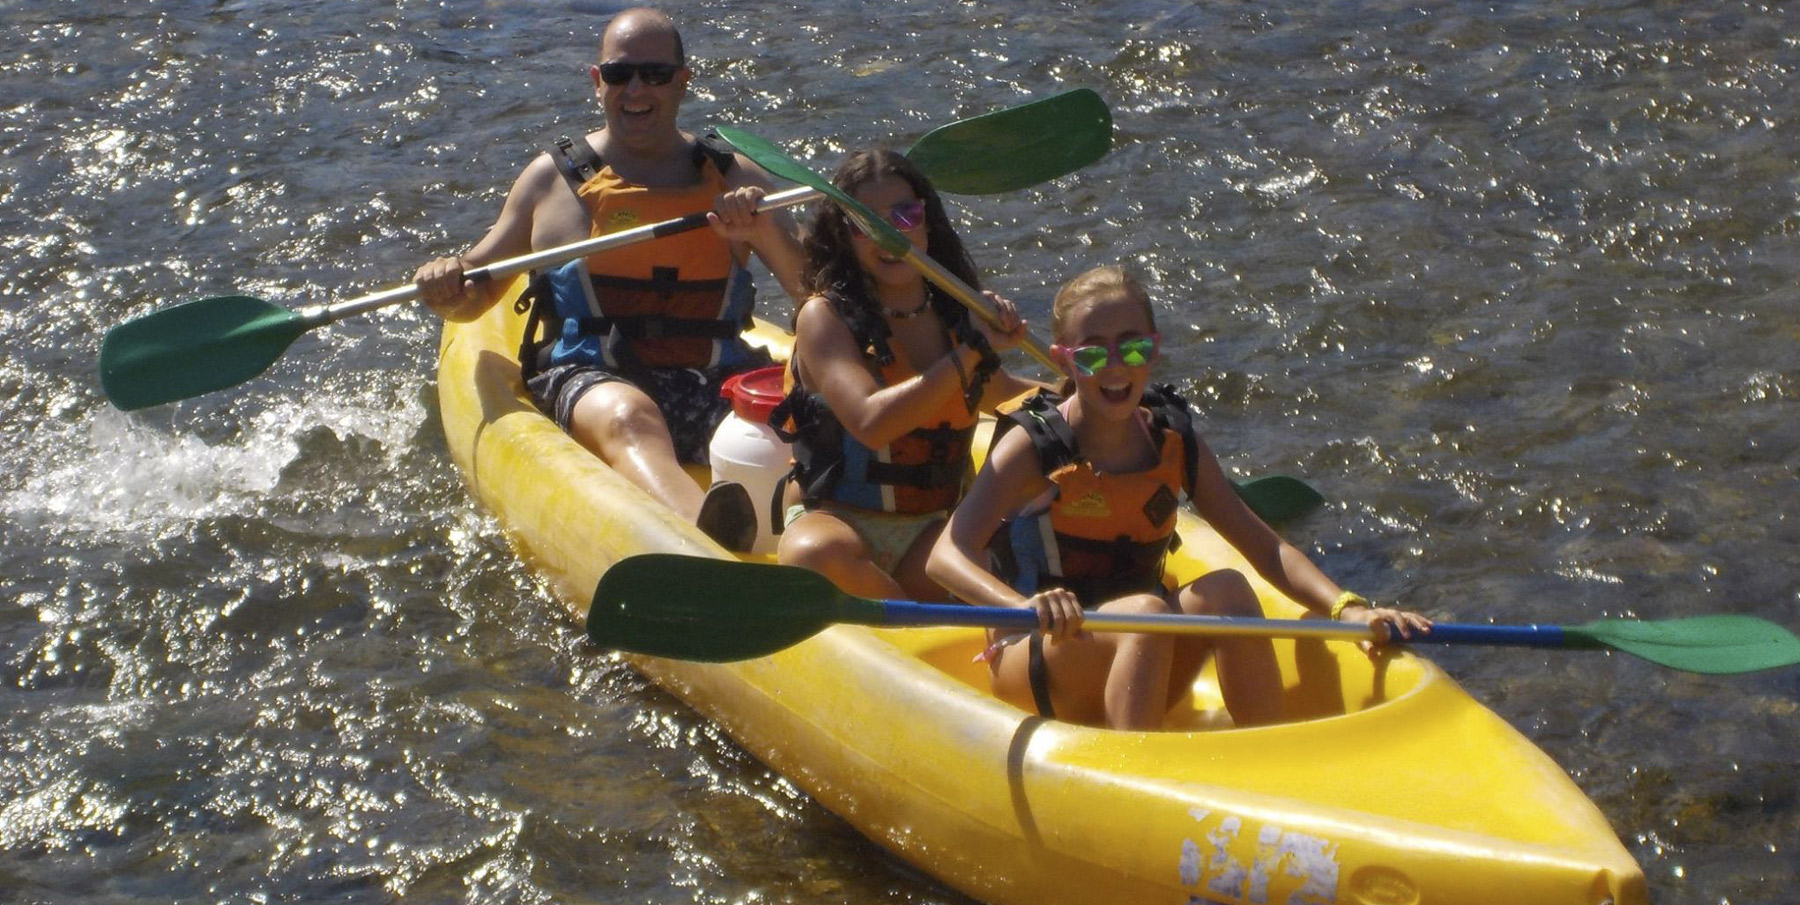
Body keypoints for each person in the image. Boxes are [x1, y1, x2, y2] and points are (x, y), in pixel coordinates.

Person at [926, 265, 1432, 730]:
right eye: (1094, 354)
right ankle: (1135, 768)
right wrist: (1024, 606)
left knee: (1228, 591)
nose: (1116, 367)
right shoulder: (1033, 446)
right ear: (1064, 359)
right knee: (1145, 613)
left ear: (1154, 349)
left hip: (1143, 645)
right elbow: (946, 556)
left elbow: (1266, 547)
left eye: (1133, 349)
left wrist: (1348, 609)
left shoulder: (1171, 439)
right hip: (1041, 657)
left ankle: (1267, 753)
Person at [413, 7, 805, 552]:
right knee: (631, 417)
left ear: (683, 80)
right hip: (593, 375)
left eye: (655, 74)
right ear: (598, 81)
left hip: (712, 374)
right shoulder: (553, 181)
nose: (635, 89)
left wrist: (761, 230)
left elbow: (812, 293)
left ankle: (817, 537)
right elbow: (475, 294)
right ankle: (707, 539)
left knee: (796, 424)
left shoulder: (733, 176)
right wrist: (445, 285)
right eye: (620, 74)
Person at [773, 149, 1043, 601]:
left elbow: (1003, 393)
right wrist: (971, 351)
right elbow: (870, 422)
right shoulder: (824, 318)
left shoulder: (957, 313)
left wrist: (1084, 387)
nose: (889, 235)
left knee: (986, 559)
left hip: (932, 527)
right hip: (836, 520)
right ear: (844, 234)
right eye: (867, 223)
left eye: (905, 215)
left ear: (926, 221)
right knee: (815, 554)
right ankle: (907, 621)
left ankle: (904, 616)